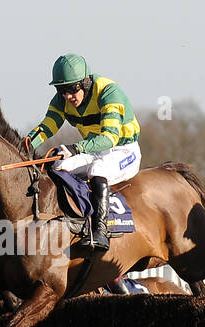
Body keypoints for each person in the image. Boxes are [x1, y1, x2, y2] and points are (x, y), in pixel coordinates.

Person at [23, 54, 142, 250]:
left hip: (123, 150)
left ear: (86, 82)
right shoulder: (62, 99)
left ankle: (100, 232)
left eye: (72, 89)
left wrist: (76, 148)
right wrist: (25, 144)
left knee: (97, 170)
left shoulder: (109, 92)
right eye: (61, 90)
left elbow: (109, 138)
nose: (68, 96)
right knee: (59, 167)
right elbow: (48, 125)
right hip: (94, 151)